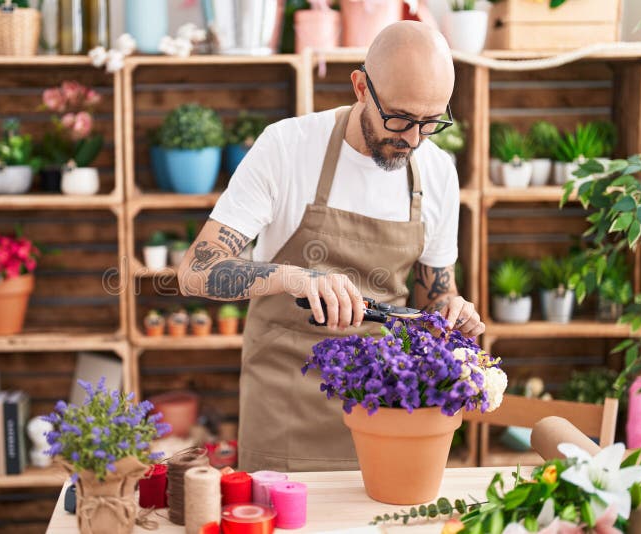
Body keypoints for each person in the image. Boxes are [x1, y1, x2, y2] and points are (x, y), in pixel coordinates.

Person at [177, 21, 486, 472]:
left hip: (386, 406)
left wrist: (453, 312)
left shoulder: (437, 173)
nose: (413, 139)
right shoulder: (287, 148)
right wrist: (292, 275)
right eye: (399, 118)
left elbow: (435, 295)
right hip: (286, 401)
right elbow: (196, 270)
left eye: (430, 122)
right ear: (361, 86)